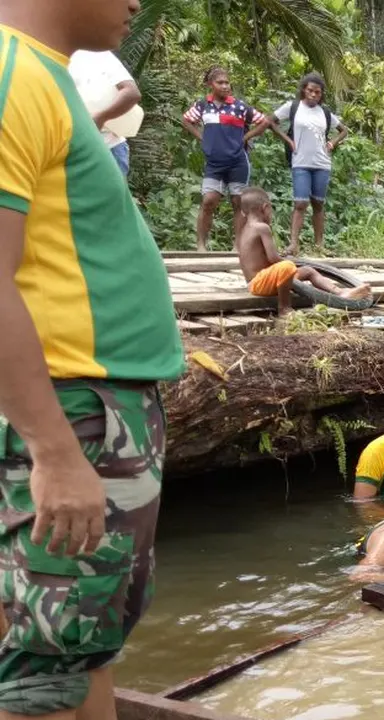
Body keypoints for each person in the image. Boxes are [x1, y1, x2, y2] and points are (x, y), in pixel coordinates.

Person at [0, 1, 187, 717]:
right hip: (72, 410)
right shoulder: (13, 75)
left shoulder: (42, 78)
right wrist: (53, 448)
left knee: (70, 648)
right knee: (52, 665)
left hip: (79, 409)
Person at [234, 188, 369, 315]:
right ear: (265, 208)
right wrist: (291, 264)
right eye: (271, 209)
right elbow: (273, 259)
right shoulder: (262, 228)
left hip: (262, 280)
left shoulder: (244, 229)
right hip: (259, 284)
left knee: (308, 270)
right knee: (286, 266)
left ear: (243, 212)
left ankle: (340, 293)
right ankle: (284, 308)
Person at [183, 66, 269, 252]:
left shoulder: (239, 107)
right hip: (214, 162)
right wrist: (201, 137)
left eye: (226, 82)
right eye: (220, 82)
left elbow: (264, 121)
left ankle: (237, 246)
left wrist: (245, 138)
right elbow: (187, 120)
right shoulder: (202, 106)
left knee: (238, 202)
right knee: (208, 201)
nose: (224, 86)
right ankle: (201, 246)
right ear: (210, 85)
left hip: (237, 161)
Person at [270, 72, 349, 256]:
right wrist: (288, 141)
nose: (313, 95)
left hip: (322, 163)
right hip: (300, 162)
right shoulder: (293, 107)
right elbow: (270, 122)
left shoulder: (325, 112)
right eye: (310, 91)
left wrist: (333, 143)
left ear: (321, 94)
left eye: (318, 92)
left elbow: (343, 130)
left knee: (318, 203)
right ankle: (293, 244)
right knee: (300, 203)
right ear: (304, 90)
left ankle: (319, 245)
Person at [68, 49, 140, 177]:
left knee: (110, 197)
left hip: (109, 147)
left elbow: (132, 93)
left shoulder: (99, 54)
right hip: (71, 150)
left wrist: (101, 117)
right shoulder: (47, 57)